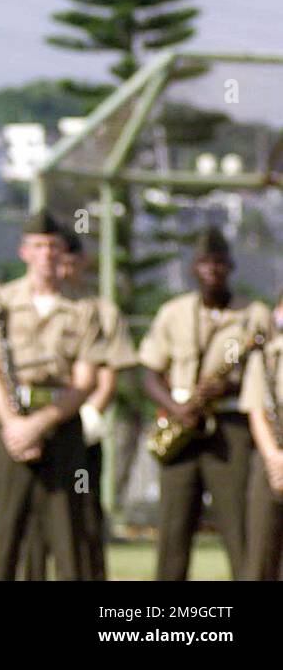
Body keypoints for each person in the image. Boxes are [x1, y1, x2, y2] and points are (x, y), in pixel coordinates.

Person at [139, 227, 271, 581]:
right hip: (182, 422)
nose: (212, 270)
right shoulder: (173, 313)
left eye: (218, 263)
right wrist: (177, 407)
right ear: (193, 268)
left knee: (239, 526)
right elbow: (149, 374)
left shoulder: (253, 314)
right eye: (204, 263)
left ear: (230, 266)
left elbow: (271, 373)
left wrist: (228, 387)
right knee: (173, 528)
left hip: (230, 426)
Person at [0, 210, 103, 582]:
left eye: (54, 247)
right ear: (24, 252)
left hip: (60, 423)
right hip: (10, 425)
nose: (46, 254)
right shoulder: (0, 301)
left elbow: (84, 382)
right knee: (3, 535)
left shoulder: (84, 309)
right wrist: (15, 426)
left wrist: (39, 424)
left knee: (68, 535)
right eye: (38, 246)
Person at [21, 229, 138, 581]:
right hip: (40, 426)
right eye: (61, 260)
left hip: (82, 434)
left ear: (81, 263)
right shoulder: (33, 303)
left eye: (72, 261)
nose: (65, 268)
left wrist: (90, 412)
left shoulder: (98, 310)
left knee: (84, 514)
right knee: (34, 517)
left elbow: (108, 375)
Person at [242, 289, 283, 581]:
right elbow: (256, 410)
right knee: (260, 556)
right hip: (272, 457)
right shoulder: (268, 355)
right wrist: (274, 459)